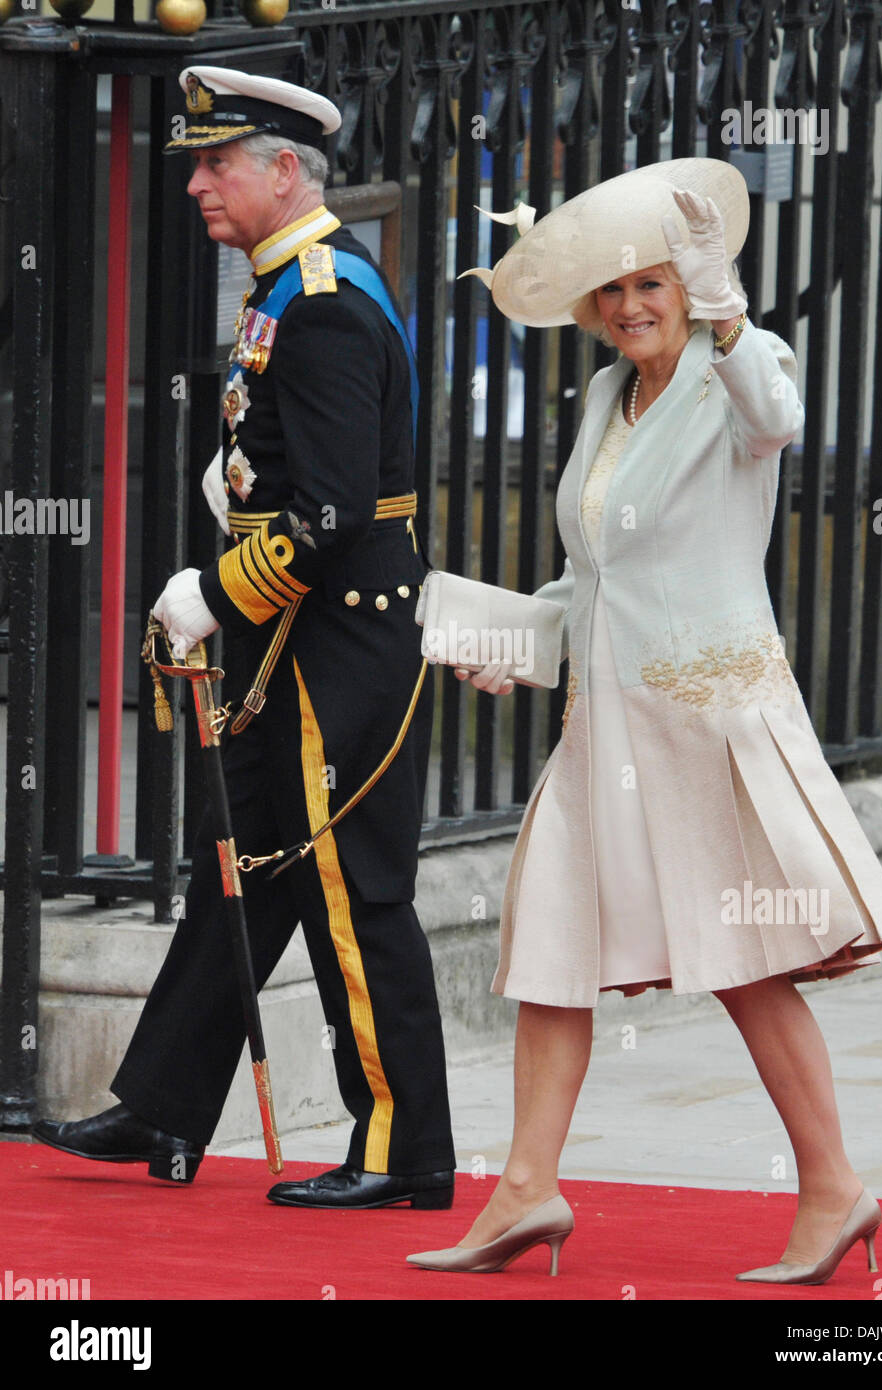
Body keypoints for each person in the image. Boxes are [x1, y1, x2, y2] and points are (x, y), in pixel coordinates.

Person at [407, 158, 882, 1278]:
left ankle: (832, 1189)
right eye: (614, 291)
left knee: (746, 964)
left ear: (687, 288)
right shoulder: (600, 399)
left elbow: (777, 419)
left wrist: (728, 309)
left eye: (653, 284)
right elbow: (594, 574)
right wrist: (508, 641)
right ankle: (527, 1193)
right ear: (592, 311)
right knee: (551, 948)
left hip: (706, 721)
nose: (634, 305)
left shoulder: (743, 368)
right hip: (605, 728)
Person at [32, 67, 456, 1211]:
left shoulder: (319, 297)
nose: (195, 183)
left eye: (217, 164)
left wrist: (213, 591)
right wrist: (240, 490)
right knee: (240, 873)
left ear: (283, 170)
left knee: (352, 890)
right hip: (298, 639)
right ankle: (166, 1104)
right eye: (196, 163)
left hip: (334, 645)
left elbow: (331, 517)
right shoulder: (286, 284)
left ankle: (400, 1149)